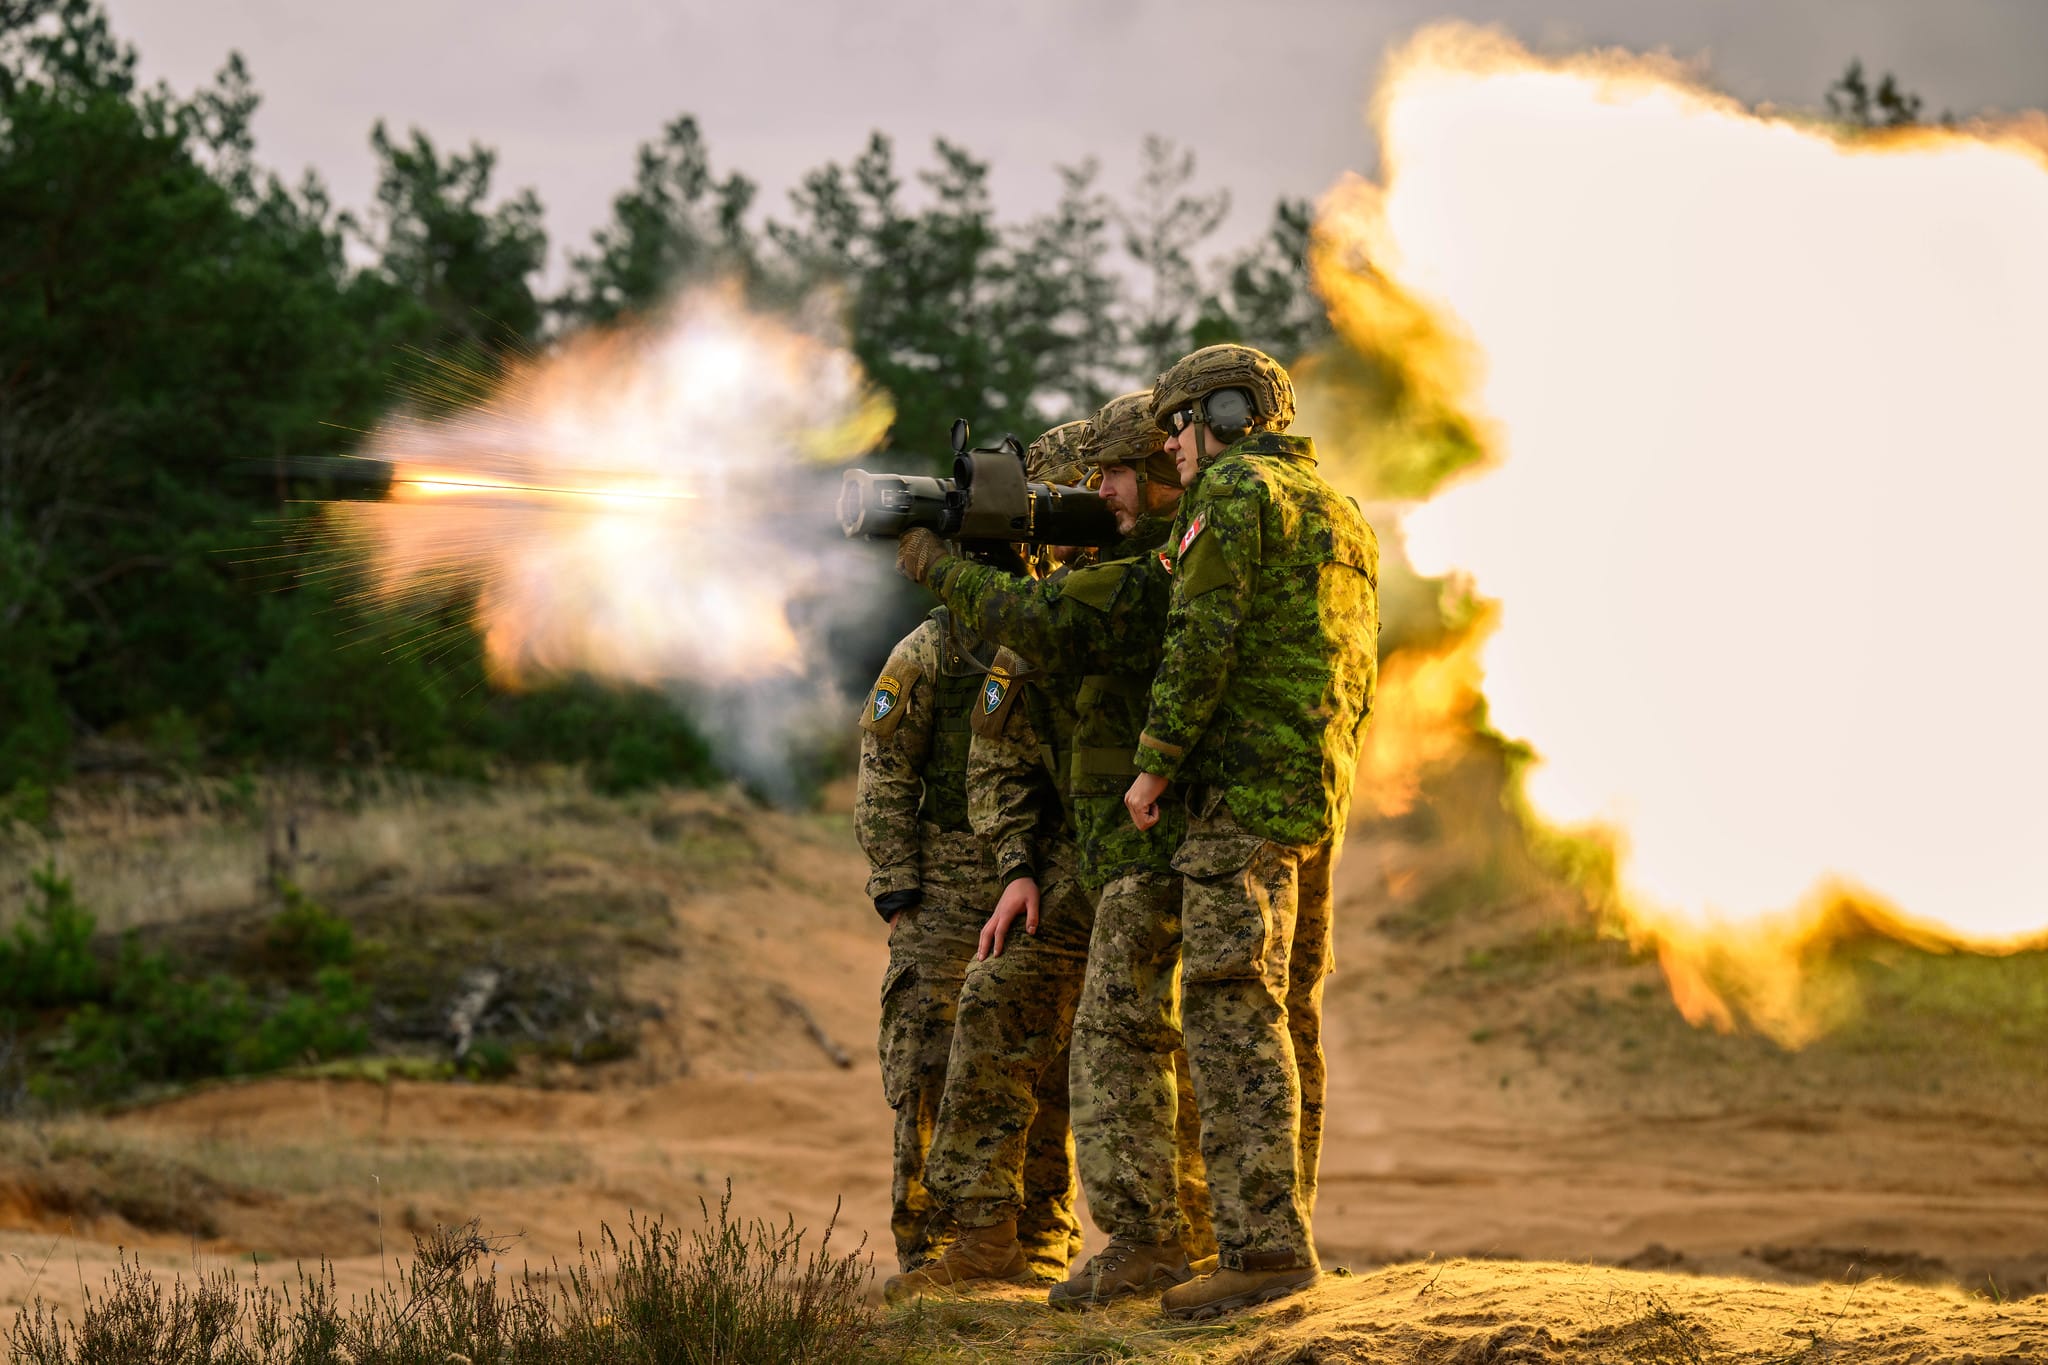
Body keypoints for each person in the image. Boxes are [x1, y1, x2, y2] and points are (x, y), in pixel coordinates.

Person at [897, 390, 1217, 1307]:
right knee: (998, 991)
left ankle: (1180, 1238)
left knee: (1157, 1044)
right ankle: (987, 1232)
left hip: (1165, 850)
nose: (1088, 505)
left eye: (1098, 486)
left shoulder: (1162, 570)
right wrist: (1019, 868)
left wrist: (947, 567)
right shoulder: (1052, 597)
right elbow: (1001, 755)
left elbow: (1058, 620)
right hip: (1082, 858)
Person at [1123, 344, 1380, 1319]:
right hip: (1318, 787)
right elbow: (1355, 658)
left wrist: (1152, 766)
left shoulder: (1232, 495)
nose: (1170, 453)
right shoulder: (1338, 508)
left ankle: (1264, 1251)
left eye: (1176, 428)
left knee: (1230, 1004)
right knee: (1288, 1012)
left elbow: (1202, 634)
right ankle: (1288, 1226)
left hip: (1242, 792)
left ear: (1219, 417)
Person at [871, 421, 1093, 1300]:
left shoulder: (1053, 627)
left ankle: (1037, 1242)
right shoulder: (928, 649)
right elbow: (885, 771)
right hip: (944, 892)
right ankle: (934, 1250)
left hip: (1036, 881)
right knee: (929, 1071)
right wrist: (899, 892)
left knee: (1047, 1070)